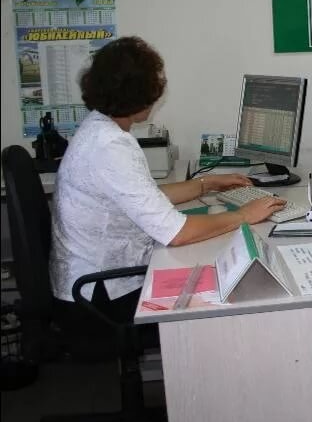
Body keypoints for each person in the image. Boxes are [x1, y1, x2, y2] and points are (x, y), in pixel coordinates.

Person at [49, 36, 287, 327]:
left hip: (94, 278)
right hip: (103, 294)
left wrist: (206, 184)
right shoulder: (109, 146)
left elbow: (144, 195)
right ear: (141, 94)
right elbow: (178, 233)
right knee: (227, 292)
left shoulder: (98, 128)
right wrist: (243, 215)